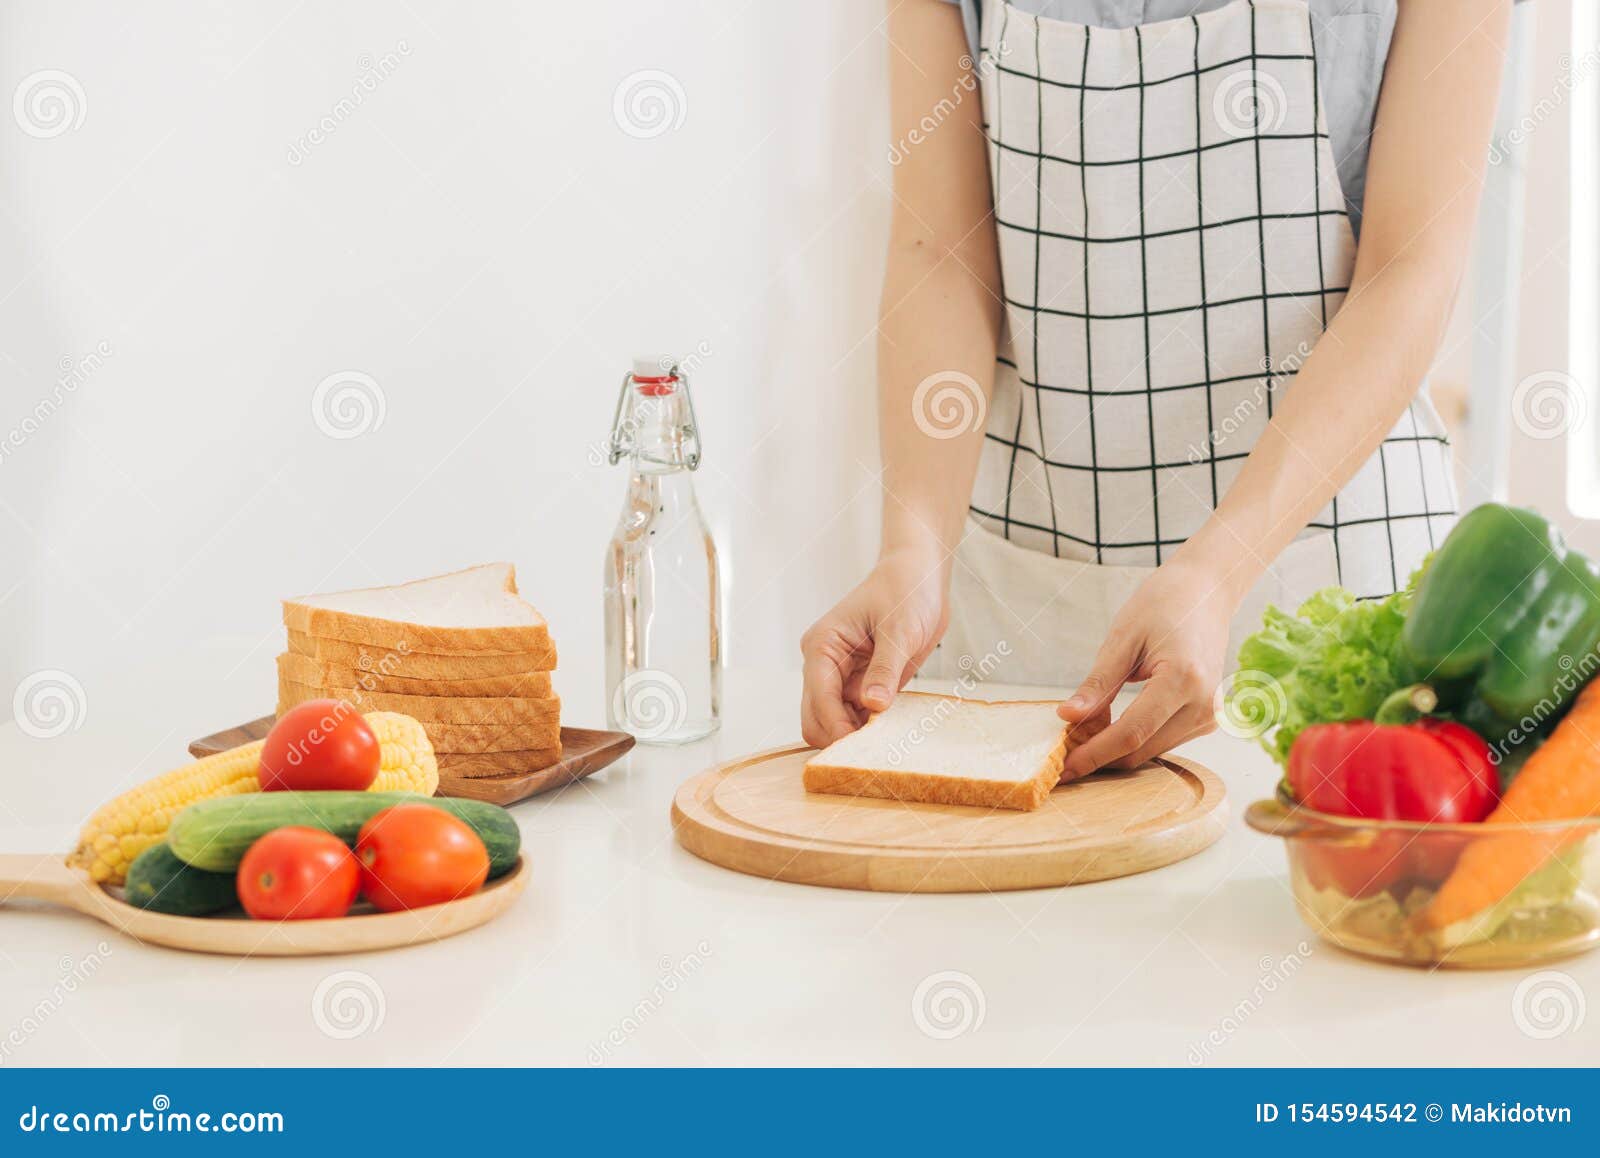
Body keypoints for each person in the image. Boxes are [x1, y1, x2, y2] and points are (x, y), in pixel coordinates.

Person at [800, 0, 1510, 776]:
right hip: (1022, 606)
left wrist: (1217, 569)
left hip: (1331, 595)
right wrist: (914, 545)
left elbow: (1411, 270)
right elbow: (940, 249)